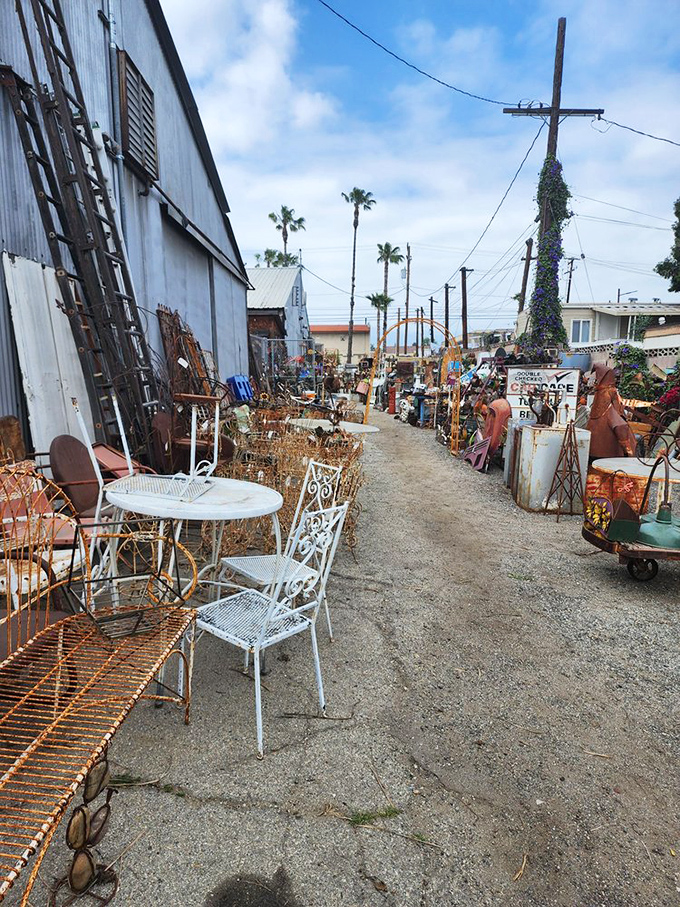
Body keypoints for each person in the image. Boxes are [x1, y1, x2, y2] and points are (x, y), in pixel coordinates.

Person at [585, 363, 636, 458]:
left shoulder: (597, 406)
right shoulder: (608, 408)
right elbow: (620, 427)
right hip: (610, 456)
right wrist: (629, 452)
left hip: (592, 453)